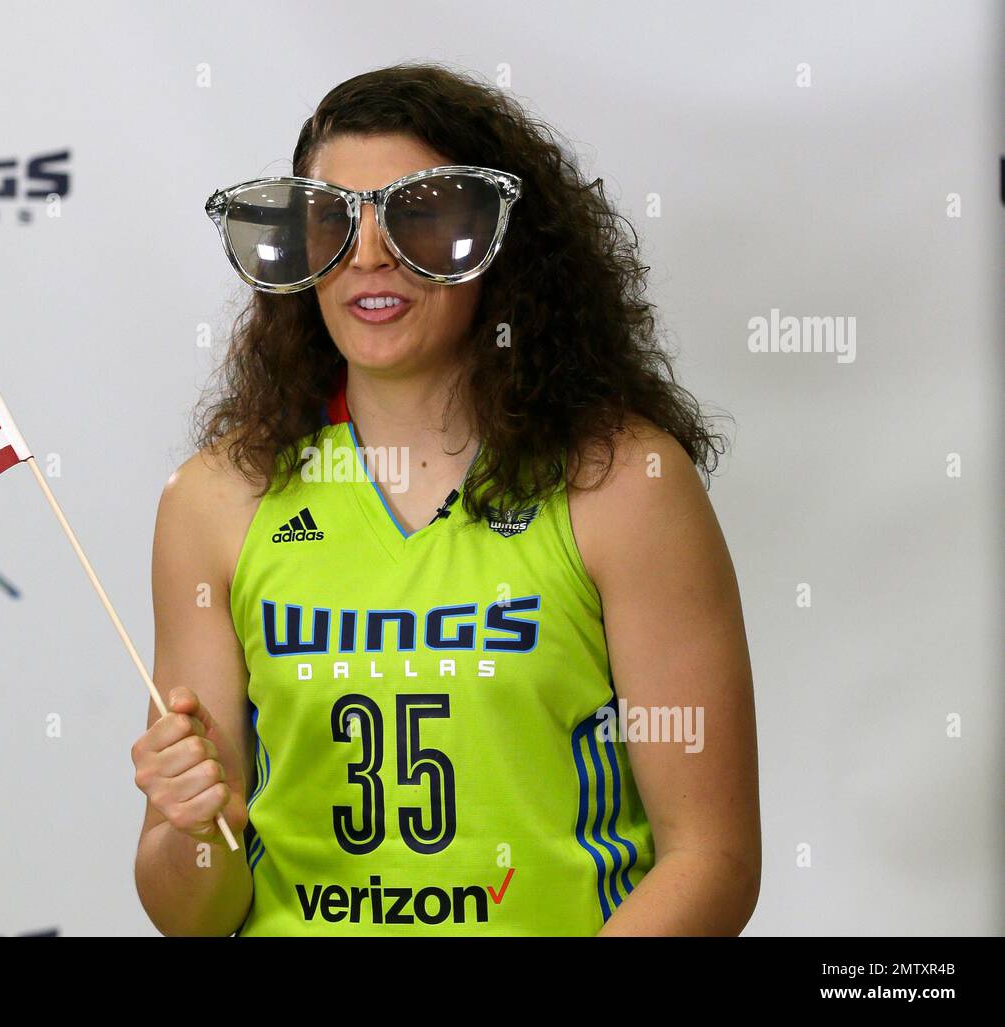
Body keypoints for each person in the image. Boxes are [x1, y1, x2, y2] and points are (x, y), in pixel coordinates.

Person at [132, 62, 759, 936]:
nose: (371, 255)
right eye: (332, 223)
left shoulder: (624, 485)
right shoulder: (215, 500)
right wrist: (193, 827)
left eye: (419, 215)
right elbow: (192, 912)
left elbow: (711, 858)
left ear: (503, 240)